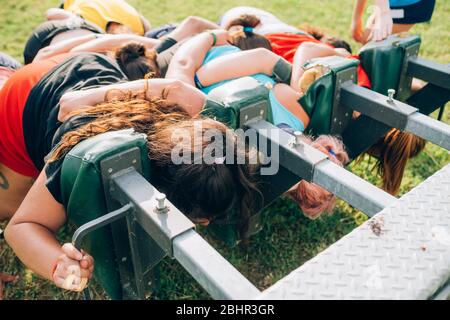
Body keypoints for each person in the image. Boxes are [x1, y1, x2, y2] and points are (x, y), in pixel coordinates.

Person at [2, 45, 263, 292]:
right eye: (200, 219)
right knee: (10, 209)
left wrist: (90, 96)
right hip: (23, 98)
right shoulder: (84, 153)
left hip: (92, 66)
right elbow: (21, 227)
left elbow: (175, 88)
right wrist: (59, 263)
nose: (204, 223)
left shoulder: (195, 123)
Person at [351, 0, 437, 44]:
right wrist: (357, 16)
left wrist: (383, 12)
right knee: (368, 42)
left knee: (372, 45)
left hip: (408, 4)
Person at [46, 0, 151, 36]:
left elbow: (146, 24)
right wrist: (77, 20)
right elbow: (50, 13)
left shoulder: (138, 26)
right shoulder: (90, 24)